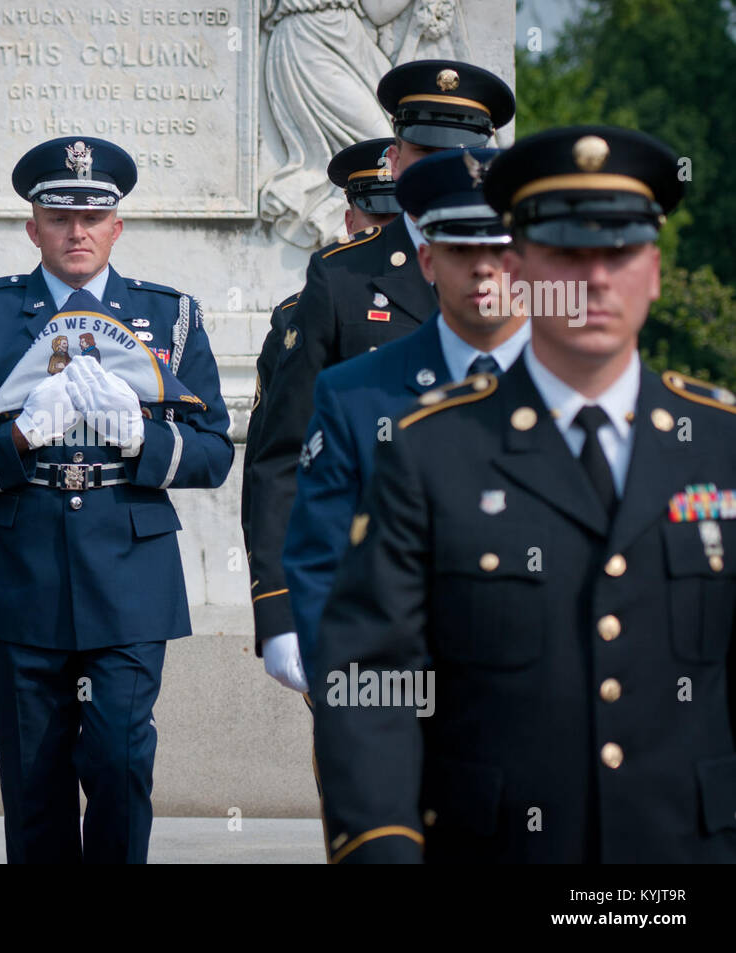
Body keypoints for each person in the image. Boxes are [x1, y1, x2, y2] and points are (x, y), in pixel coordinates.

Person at [312, 125, 736, 863]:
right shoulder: (428, 449)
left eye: (621, 250)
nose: (596, 278)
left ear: (656, 270)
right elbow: (367, 683)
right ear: (520, 266)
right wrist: (383, 848)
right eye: (568, 249)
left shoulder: (723, 446)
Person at [0, 137, 233, 863]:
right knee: (34, 781)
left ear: (117, 228)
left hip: (128, 567)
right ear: (32, 226)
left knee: (121, 756)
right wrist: (19, 439)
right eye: (59, 215)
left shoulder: (174, 318)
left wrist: (144, 440)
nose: (77, 231)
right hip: (20, 568)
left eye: (93, 217)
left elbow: (216, 449)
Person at [245, 60, 514, 694]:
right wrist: (280, 607)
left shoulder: (532, 272)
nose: (439, 168)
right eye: (423, 151)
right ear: (395, 160)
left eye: (465, 153)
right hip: (364, 592)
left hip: (502, 589)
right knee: (368, 788)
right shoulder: (340, 279)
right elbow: (283, 454)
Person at [242, 137, 400, 565]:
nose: (390, 233)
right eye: (379, 216)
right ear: (349, 221)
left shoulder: (467, 310)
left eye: (402, 218)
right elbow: (270, 463)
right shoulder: (297, 315)